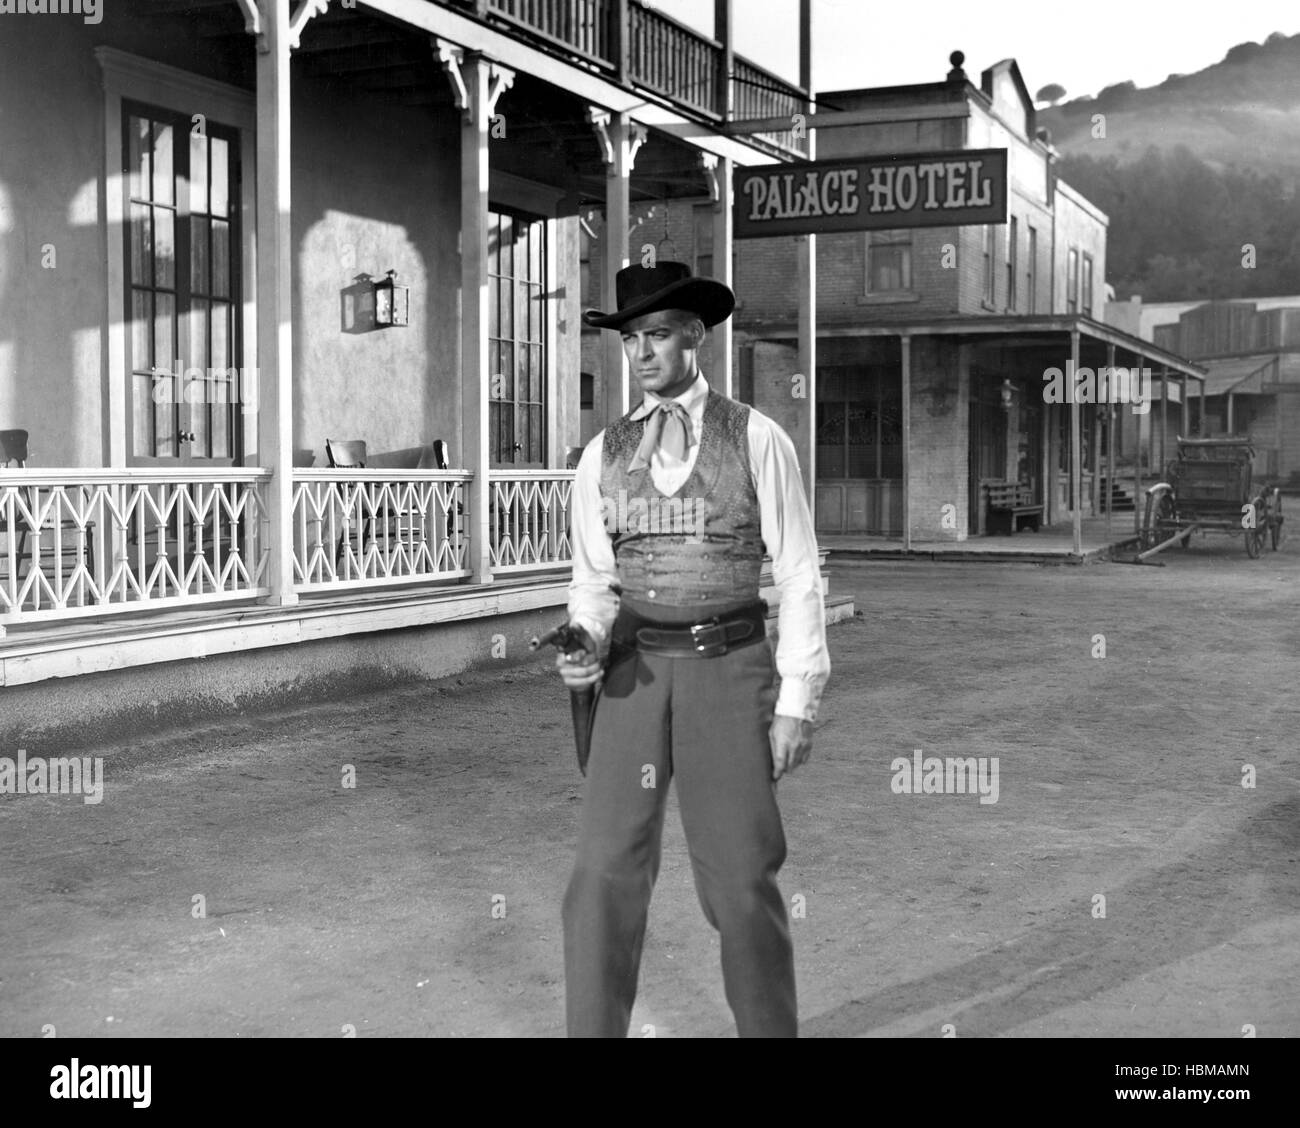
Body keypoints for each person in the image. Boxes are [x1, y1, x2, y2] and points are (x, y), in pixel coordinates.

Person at [556, 260, 830, 1038]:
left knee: (741, 882)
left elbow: (802, 574)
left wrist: (795, 701)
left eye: (660, 334)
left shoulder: (758, 439)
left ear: (696, 337)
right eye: (633, 338)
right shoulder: (602, 455)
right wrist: (582, 644)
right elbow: (593, 583)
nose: (643, 352)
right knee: (601, 876)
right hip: (634, 676)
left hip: (728, 669)